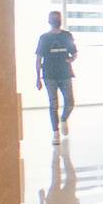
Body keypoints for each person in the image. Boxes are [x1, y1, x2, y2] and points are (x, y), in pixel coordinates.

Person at [35, 10, 79, 138]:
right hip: (49, 75)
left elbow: (74, 53)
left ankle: (64, 118)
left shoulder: (67, 36)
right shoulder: (44, 38)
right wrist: (38, 78)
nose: (56, 20)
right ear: (49, 20)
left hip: (65, 74)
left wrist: (71, 59)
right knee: (53, 104)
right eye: (54, 18)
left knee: (70, 102)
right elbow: (38, 59)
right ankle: (55, 132)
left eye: (58, 17)